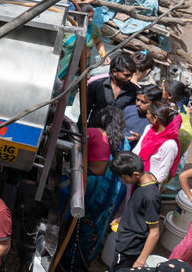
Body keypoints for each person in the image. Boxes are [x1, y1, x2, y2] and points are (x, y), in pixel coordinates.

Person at [70, 106, 129, 265]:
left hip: (92, 189)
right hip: (111, 195)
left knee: (77, 226)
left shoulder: (93, 134)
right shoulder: (123, 141)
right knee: (95, 229)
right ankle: (84, 259)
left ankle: (69, 260)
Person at [110, 152, 161, 270]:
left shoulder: (150, 196)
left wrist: (140, 261)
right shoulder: (146, 177)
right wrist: (123, 219)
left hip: (130, 247)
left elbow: (154, 233)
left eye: (123, 177)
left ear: (135, 174)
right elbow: (138, 208)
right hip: (126, 238)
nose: (122, 180)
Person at [132, 100, 180, 184]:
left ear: (155, 118)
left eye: (148, 114)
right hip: (134, 177)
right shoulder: (149, 128)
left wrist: (142, 182)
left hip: (147, 186)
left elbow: (161, 175)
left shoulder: (169, 145)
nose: (146, 116)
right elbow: (137, 151)